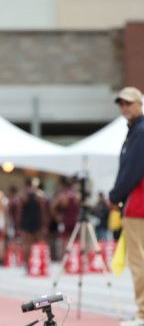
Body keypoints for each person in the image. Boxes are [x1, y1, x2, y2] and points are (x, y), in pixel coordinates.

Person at [108, 86, 144, 326]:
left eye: (128, 103)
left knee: (139, 260)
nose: (124, 108)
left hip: (138, 204)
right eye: (121, 104)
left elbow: (131, 169)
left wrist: (115, 195)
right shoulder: (136, 131)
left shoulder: (139, 132)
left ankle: (142, 312)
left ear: (139, 104)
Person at [17, 178, 48, 268]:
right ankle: (38, 263)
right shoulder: (40, 195)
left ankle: (27, 264)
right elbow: (43, 211)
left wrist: (19, 224)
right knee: (39, 242)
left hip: (26, 221)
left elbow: (19, 211)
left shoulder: (23, 195)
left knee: (27, 243)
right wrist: (44, 224)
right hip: (37, 220)